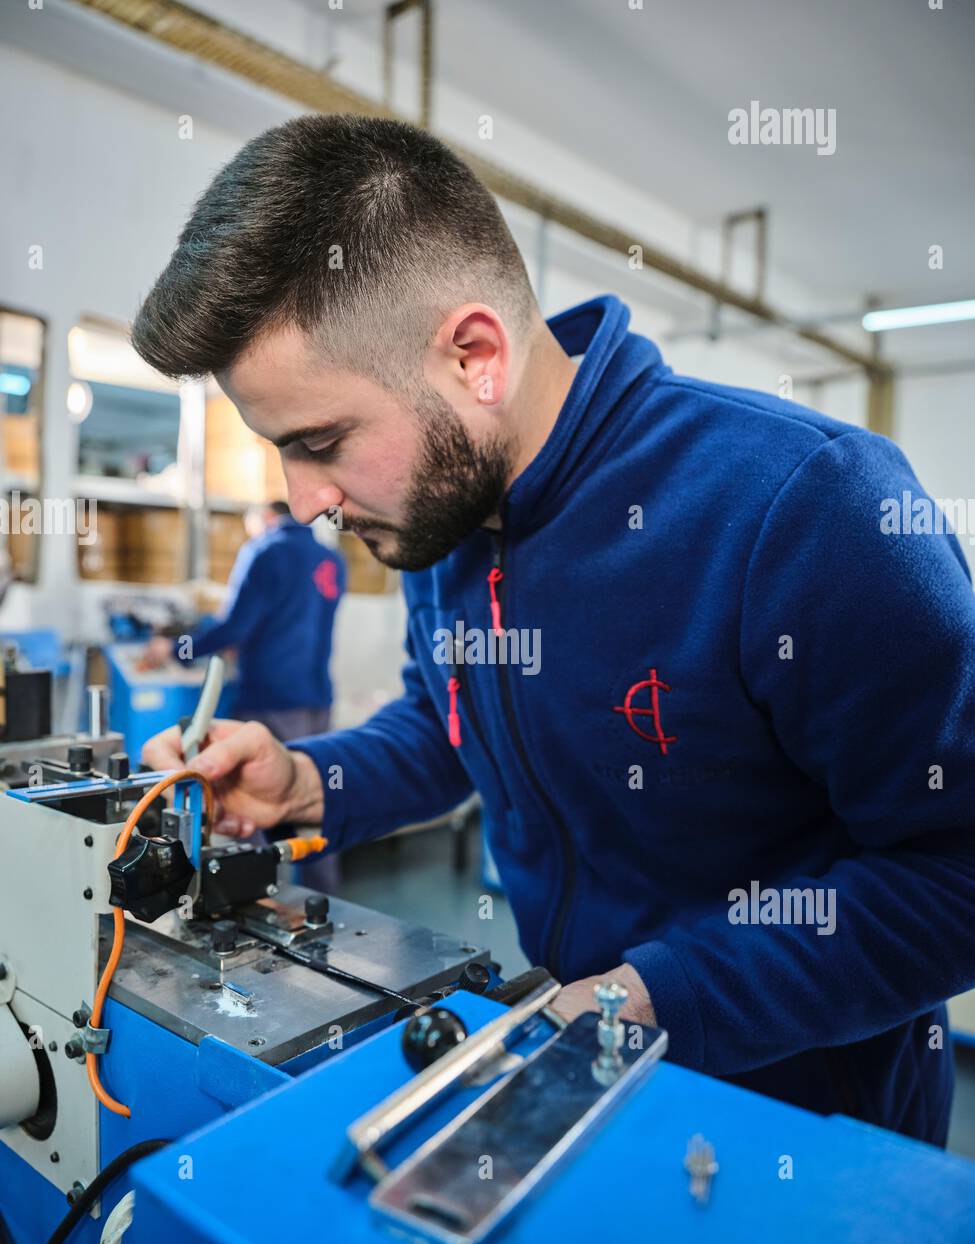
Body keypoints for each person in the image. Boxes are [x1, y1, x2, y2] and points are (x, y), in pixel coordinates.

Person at [135, 113, 975, 1146]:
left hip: (805, 1125)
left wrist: (656, 996)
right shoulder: (439, 516)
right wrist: (306, 782)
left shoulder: (804, 506)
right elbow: (447, 724)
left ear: (475, 356)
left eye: (321, 442)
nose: (303, 498)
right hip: (585, 1071)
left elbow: (954, 872)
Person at [143, 500, 345, 742]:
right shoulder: (333, 559)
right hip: (318, 697)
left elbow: (234, 627)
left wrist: (176, 649)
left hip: (270, 698)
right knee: (309, 773)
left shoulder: (264, 550)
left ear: (266, 517)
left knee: (258, 775)